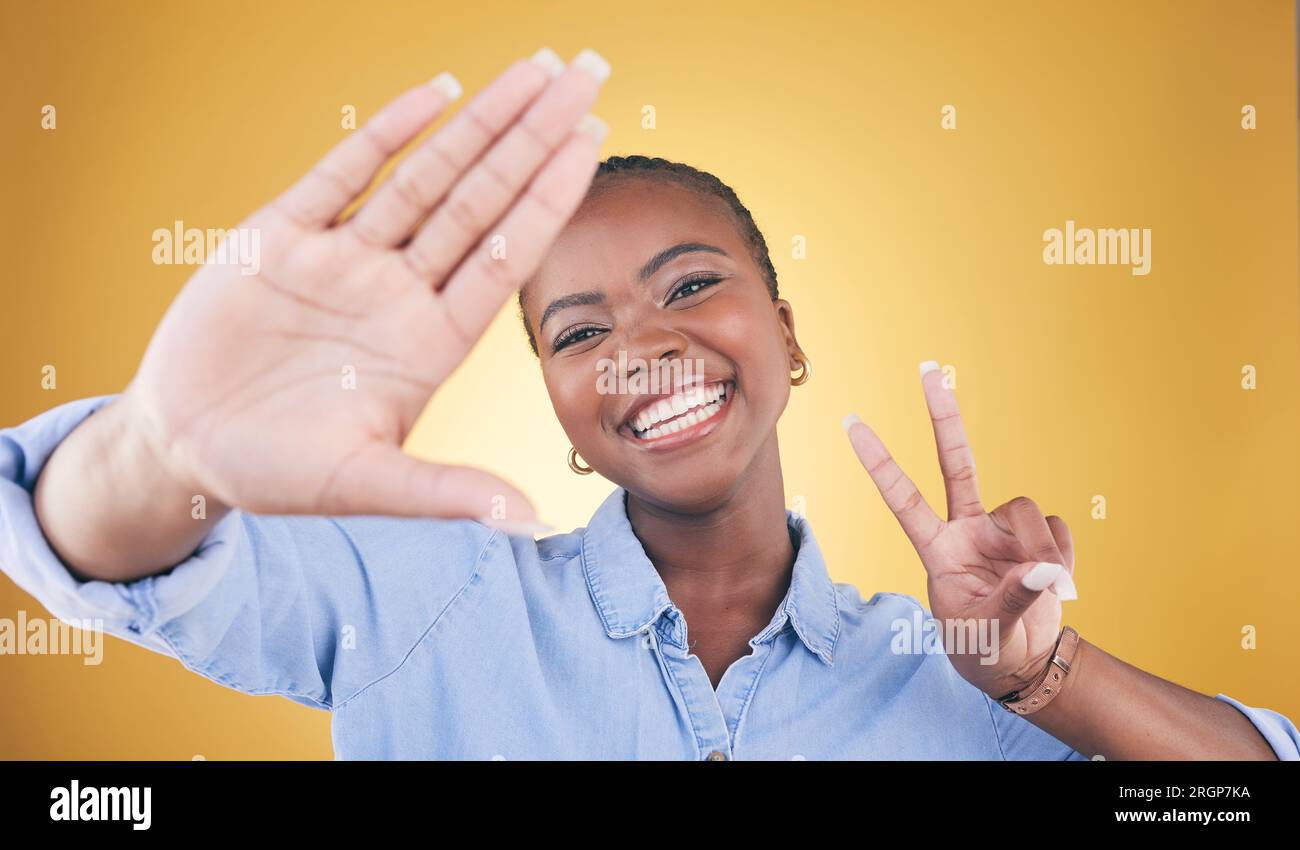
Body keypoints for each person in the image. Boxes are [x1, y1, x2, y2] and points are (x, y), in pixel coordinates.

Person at [1, 48, 1295, 760]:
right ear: (561, 403)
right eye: (580, 331)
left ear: (786, 336)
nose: (645, 348)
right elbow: (97, 549)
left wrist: (1043, 676)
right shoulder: (433, 599)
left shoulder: (960, 678)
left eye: (691, 284)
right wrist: (164, 450)